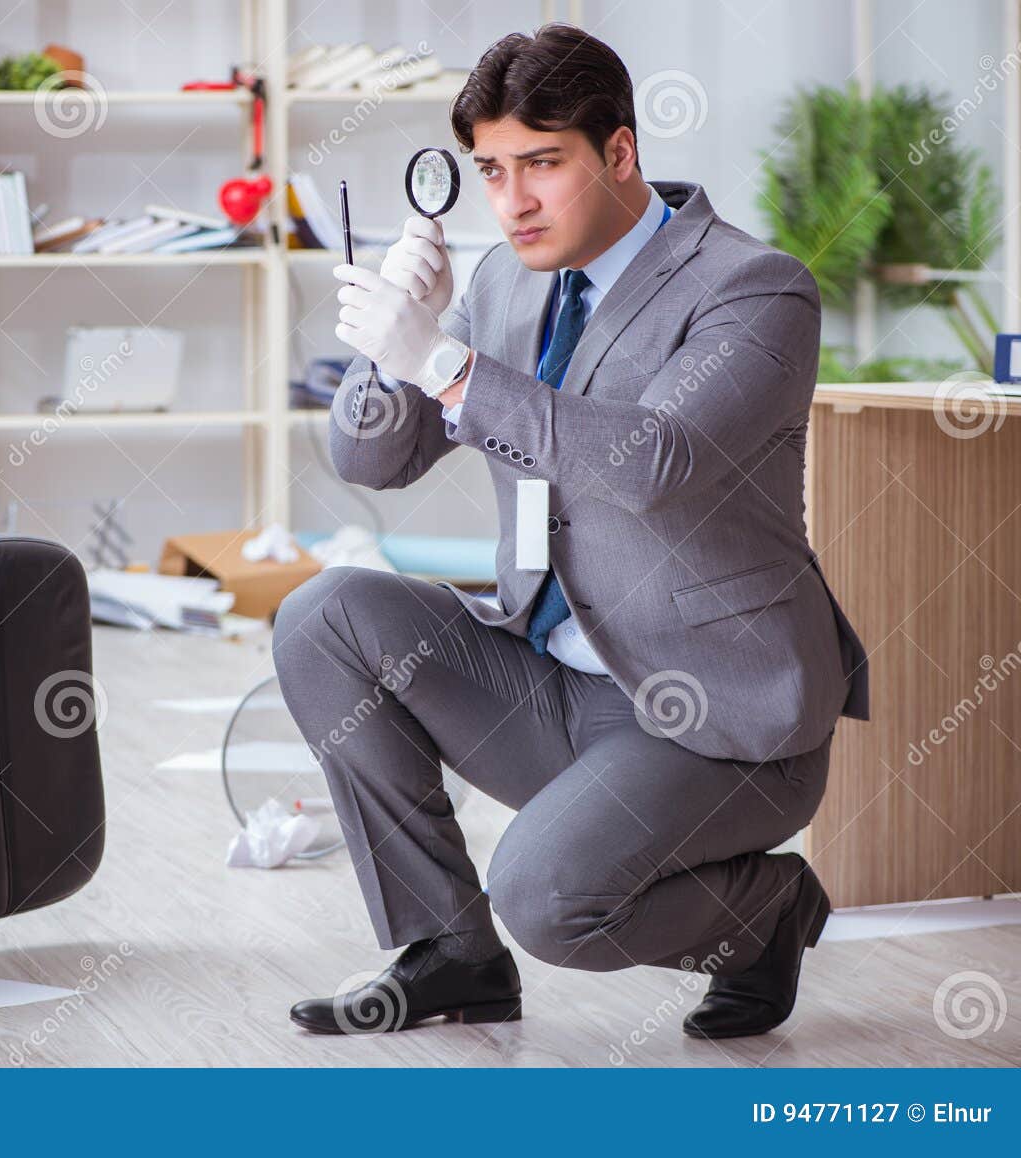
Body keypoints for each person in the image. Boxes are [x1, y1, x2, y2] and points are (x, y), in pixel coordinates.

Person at [271, 23, 868, 1040]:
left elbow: (655, 464)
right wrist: (390, 344)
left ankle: (763, 914)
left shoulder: (753, 288)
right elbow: (374, 462)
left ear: (620, 152)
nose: (511, 202)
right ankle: (452, 953)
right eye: (490, 171)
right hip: (553, 683)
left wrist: (448, 366)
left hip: (716, 719)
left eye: (541, 165)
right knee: (324, 614)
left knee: (549, 901)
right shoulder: (506, 281)